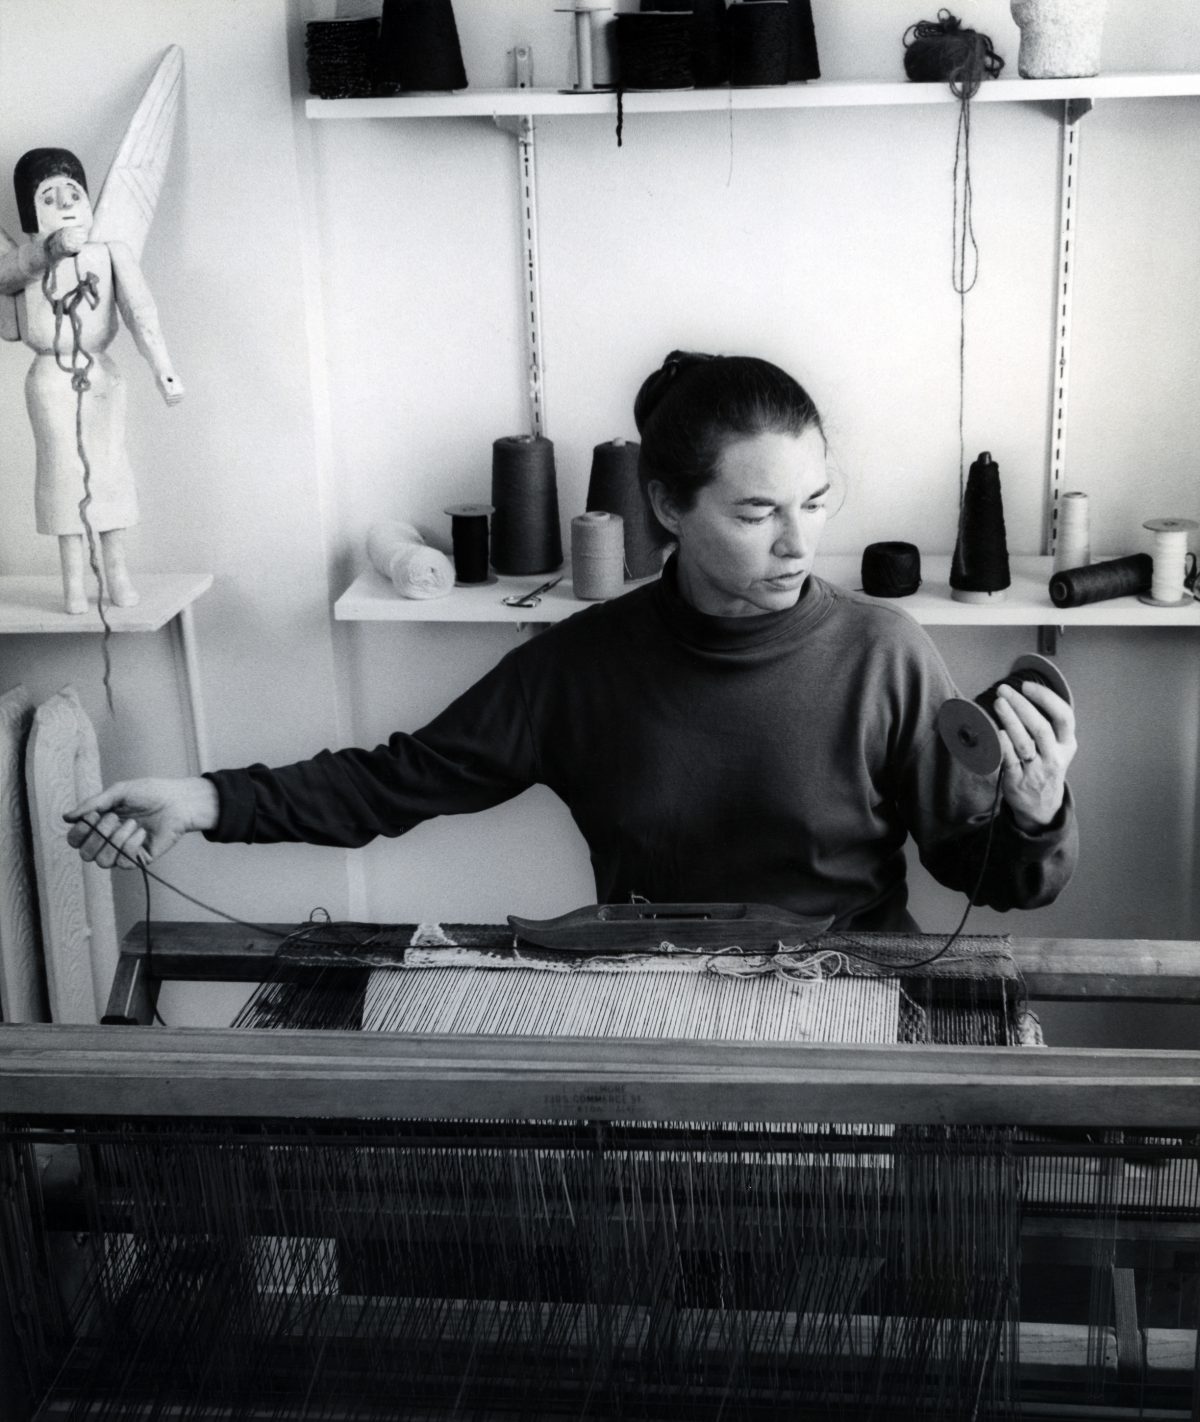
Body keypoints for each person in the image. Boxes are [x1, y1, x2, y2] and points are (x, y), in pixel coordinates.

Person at [66, 352, 1078, 931]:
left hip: (848, 1033)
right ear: (669, 508)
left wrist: (1032, 814)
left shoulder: (883, 653)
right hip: (650, 1031)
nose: (800, 540)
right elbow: (395, 782)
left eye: (816, 500)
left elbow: (994, 877)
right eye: (758, 510)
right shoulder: (580, 668)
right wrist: (204, 799)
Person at [0, 148, 184, 614]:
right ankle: (73, 583)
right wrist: (48, 251)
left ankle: (117, 571)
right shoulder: (22, 262)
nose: (64, 202)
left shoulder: (110, 253)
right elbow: (9, 275)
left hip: (101, 373)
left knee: (109, 467)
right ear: (30, 211)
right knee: (62, 472)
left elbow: (140, 312)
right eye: (49, 196)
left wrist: (163, 368)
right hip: (49, 377)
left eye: (73, 192)